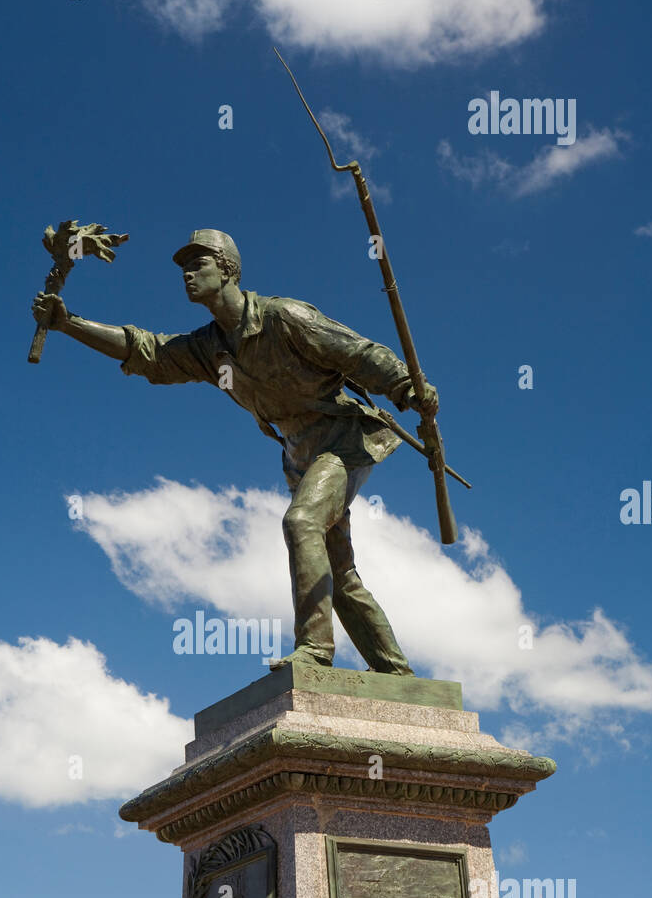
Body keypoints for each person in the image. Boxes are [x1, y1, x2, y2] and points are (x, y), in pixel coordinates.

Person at [32, 229, 437, 672]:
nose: (187, 274)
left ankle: (315, 652)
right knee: (336, 573)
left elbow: (357, 354)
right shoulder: (210, 348)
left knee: (302, 522)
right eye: (184, 268)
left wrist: (406, 388)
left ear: (227, 270)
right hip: (299, 454)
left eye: (198, 264)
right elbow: (148, 352)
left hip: (343, 440)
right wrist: (68, 324)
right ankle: (397, 673)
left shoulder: (285, 317)